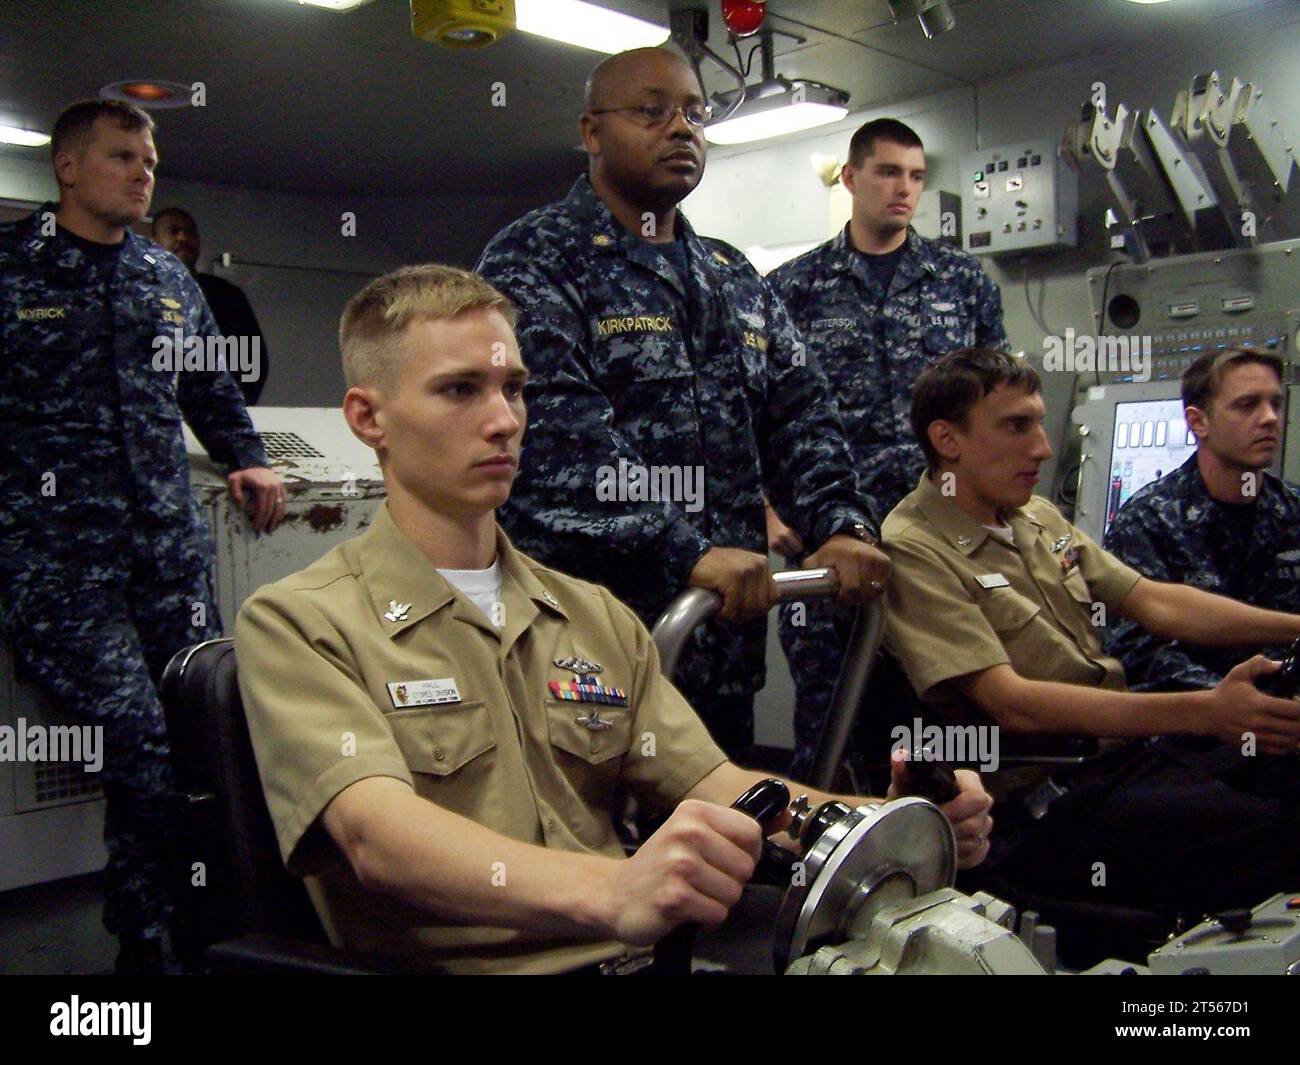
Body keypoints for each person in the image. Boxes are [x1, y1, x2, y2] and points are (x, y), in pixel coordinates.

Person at [233, 264, 994, 975]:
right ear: (369, 417)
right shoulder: (304, 623)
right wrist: (616, 890)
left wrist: (885, 822)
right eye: (460, 390)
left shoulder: (590, 616)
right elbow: (377, 837)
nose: (503, 420)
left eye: (514, 388)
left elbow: (720, 784)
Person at [476, 47, 889, 764]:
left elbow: (802, 417)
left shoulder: (731, 276)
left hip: (718, 648)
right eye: (651, 110)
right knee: (597, 834)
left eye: (695, 113)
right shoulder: (535, 259)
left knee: (721, 824)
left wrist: (840, 524)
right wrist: (684, 551)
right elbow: (555, 443)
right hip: (590, 656)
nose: (681, 128)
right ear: (592, 131)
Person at [0, 99, 285, 973]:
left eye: (150, 161)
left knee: (206, 729)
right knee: (135, 736)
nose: (142, 174)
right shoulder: (12, 268)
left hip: (167, 553)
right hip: (58, 562)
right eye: (123, 157)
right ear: (68, 167)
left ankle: (204, 921)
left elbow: (210, 384)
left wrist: (246, 457)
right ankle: (144, 937)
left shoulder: (165, 277)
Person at [880, 347, 1300, 936]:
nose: (1043, 448)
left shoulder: (1034, 517)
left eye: (1038, 423)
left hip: (1124, 760)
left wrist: (1294, 626)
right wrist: (1206, 712)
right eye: (1017, 426)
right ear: (947, 439)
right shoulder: (913, 548)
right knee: (1276, 826)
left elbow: (1155, 601)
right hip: (1043, 802)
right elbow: (1012, 702)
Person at [766, 119, 1008, 779]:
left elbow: (998, 408)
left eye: (916, 176)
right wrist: (769, 509)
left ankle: (947, 836)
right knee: (833, 724)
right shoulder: (792, 288)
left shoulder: (962, 282)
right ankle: (830, 833)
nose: (904, 188)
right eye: (888, 172)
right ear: (850, 178)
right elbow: (756, 407)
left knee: (947, 722)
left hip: (942, 539)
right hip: (832, 541)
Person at [1104, 347, 1300, 691]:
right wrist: (1226, 700)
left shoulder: (1293, 511)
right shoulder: (1149, 520)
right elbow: (1136, 651)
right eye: (1247, 405)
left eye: (1275, 403)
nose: (1270, 418)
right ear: (1198, 422)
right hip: (1193, 715)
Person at [151, 206, 270, 406]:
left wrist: (235, 407)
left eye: (190, 232)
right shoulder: (137, 293)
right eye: (173, 231)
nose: (183, 237)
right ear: (154, 242)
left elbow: (253, 358)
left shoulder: (227, 295)